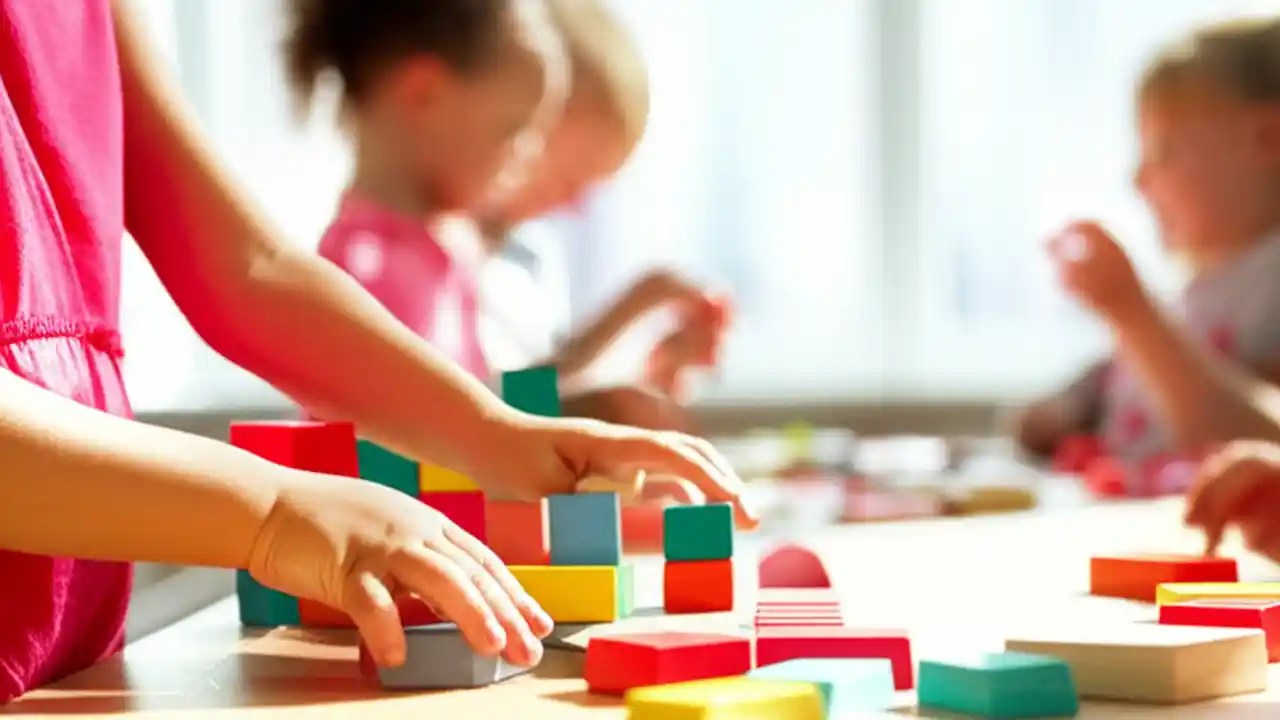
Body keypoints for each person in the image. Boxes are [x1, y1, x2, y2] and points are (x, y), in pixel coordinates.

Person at [0, 0, 752, 701]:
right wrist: (276, 512)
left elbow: (249, 270)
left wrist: (494, 431)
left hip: (74, 655)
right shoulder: (383, 252)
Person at [1016, 17, 1280, 487]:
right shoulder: (1195, 293)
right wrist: (1060, 413)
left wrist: (1133, 313)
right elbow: (1103, 388)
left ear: (1267, 139)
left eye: (1162, 151)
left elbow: (1259, 439)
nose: (1137, 180)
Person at [466, 0, 729, 431]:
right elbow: (463, 418)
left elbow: (529, 396)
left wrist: (647, 364)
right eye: (568, 178)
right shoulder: (411, 256)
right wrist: (606, 401)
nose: (574, 205)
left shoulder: (529, 259)